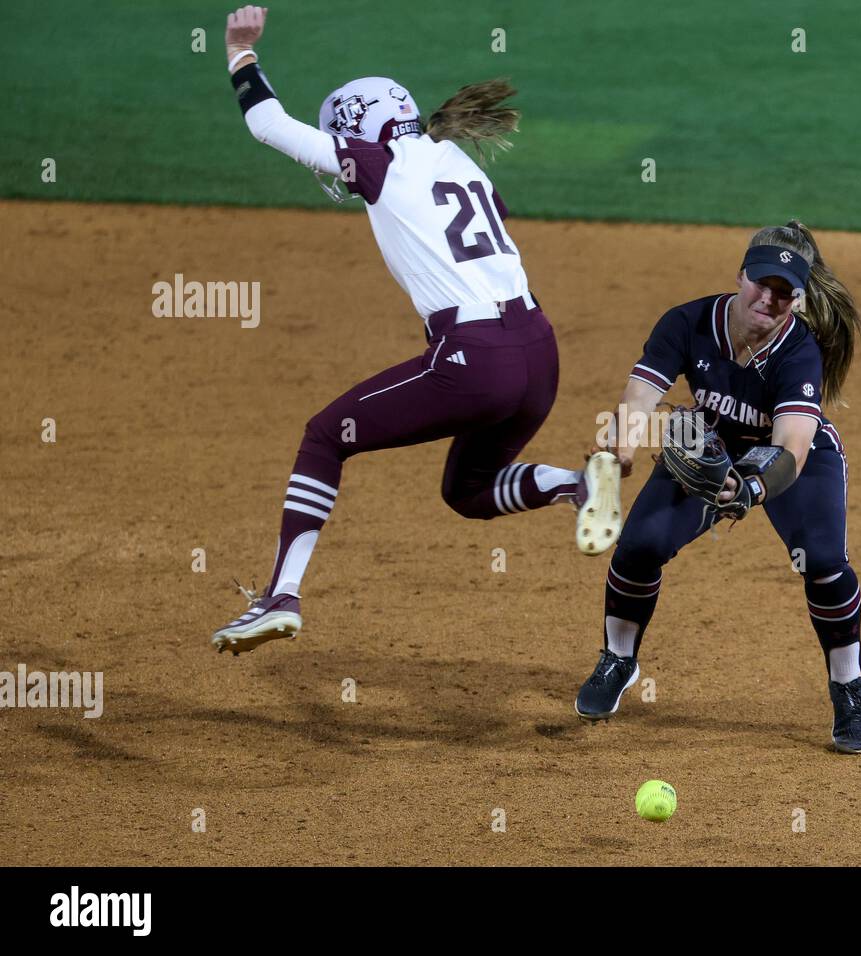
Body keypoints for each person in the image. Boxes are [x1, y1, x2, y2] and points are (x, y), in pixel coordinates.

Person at [210, 6, 621, 655]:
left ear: (357, 132)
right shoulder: (456, 159)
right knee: (468, 491)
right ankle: (575, 483)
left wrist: (240, 52)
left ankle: (280, 595)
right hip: (540, 355)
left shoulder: (375, 161)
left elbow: (266, 124)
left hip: (475, 359)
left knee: (325, 436)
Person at [574, 221, 861, 753]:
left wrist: (752, 490)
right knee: (639, 547)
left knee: (824, 562)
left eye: (785, 293)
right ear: (740, 275)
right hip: (707, 447)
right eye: (762, 283)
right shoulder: (688, 322)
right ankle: (618, 658)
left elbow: (793, 446)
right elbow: (642, 394)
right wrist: (616, 452)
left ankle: (848, 686)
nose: (769, 298)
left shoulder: (799, 350)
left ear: (798, 301)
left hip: (785, 461)